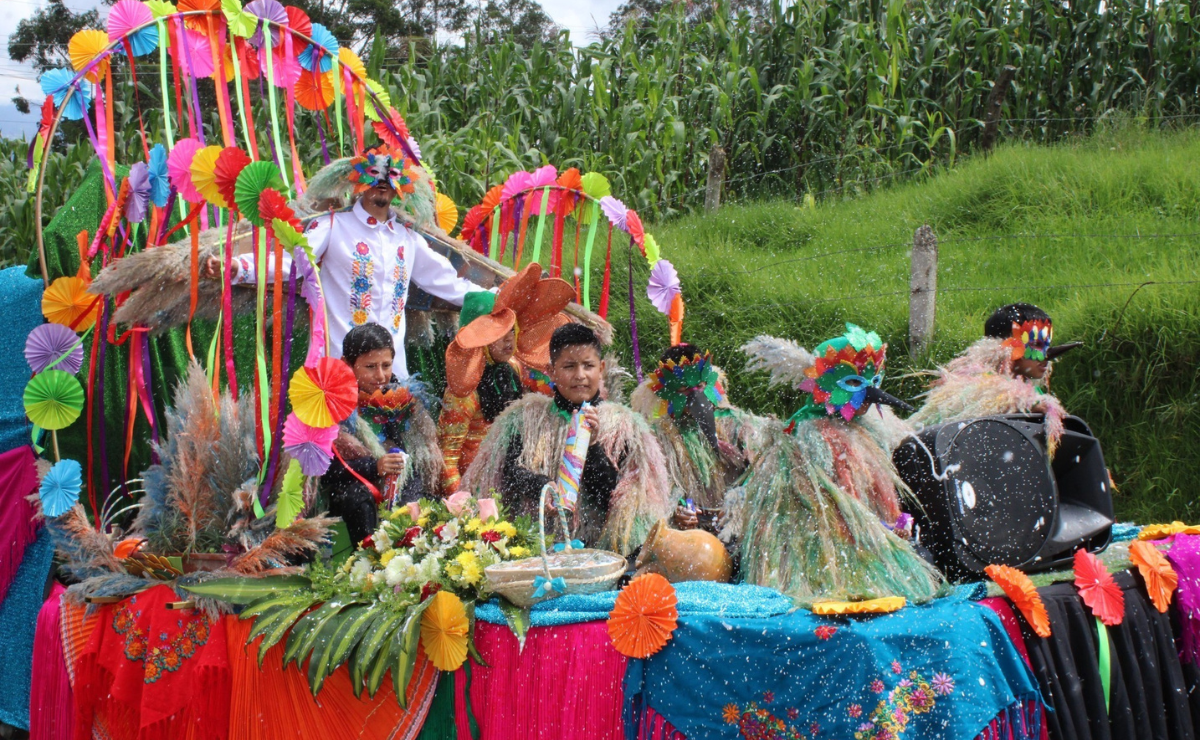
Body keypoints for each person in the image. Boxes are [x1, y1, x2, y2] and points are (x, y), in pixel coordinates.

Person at [211, 145, 488, 378]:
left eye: (389, 179)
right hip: (340, 370)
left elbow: (447, 283)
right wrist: (239, 267)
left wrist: (497, 297)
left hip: (391, 374)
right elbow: (292, 261)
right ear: (359, 184)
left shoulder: (407, 239)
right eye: (374, 177)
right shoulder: (332, 226)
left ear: (399, 190)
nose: (382, 185)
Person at [731, 325, 944, 604]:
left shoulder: (870, 429)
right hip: (823, 549)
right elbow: (824, 511)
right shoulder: (811, 437)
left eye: (876, 381)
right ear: (824, 385)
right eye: (853, 383)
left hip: (869, 538)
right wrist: (873, 531)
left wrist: (892, 524)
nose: (871, 394)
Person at [462, 323, 673, 556]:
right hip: (538, 548)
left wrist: (593, 449)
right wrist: (540, 485)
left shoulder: (623, 426)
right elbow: (507, 472)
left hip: (600, 553)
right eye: (569, 366)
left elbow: (620, 497)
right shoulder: (526, 418)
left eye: (588, 366)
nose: (580, 375)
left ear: (601, 368)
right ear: (551, 371)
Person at [438, 263, 574, 494]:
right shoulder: (462, 391)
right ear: (477, 338)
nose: (508, 340)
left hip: (509, 478)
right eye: (498, 334)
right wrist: (463, 508)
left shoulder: (512, 368)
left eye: (511, 330)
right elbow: (447, 460)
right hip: (475, 490)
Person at [321, 323, 442, 544]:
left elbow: (412, 455)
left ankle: (412, 555)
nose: (380, 375)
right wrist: (373, 467)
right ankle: (369, 560)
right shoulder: (330, 403)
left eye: (386, 365)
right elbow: (323, 470)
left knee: (418, 492)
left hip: (394, 480)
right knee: (357, 495)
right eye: (370, 366)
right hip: (347, 487)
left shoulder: (400, 398)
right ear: (348, 365)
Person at [629, 343, 768, 533]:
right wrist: (677, 510)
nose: (695, 397)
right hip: (688, 537)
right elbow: (657, 489)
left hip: (736, 529)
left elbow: (761, 471)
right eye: (685, 390)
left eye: (700, 387)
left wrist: (740, 500)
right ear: (667, 392)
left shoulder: (737, 424)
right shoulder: (657, 437)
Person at [908, 302, 1080, 456]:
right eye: (1036, 345)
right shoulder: (973, 381)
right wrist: (1025, 403)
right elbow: (984, 398)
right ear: (1003, 348)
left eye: (1047, 346)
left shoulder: (1035, 392)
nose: (1046, 356)